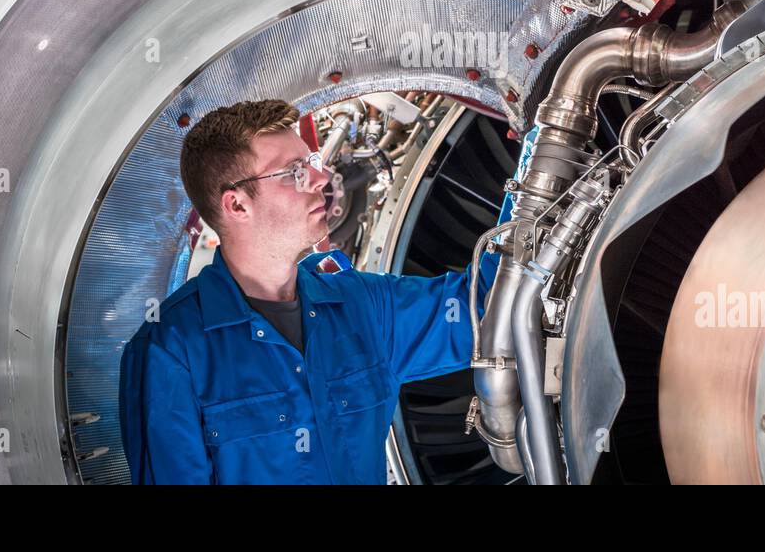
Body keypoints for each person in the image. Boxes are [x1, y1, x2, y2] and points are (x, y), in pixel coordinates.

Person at [119, 98, 500, 484]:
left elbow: (489, 306)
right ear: (237, 205)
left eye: (312, 163)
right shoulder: (170, 350)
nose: (320, 179)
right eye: (293, 172)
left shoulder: (362, 307)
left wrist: (544, 146)